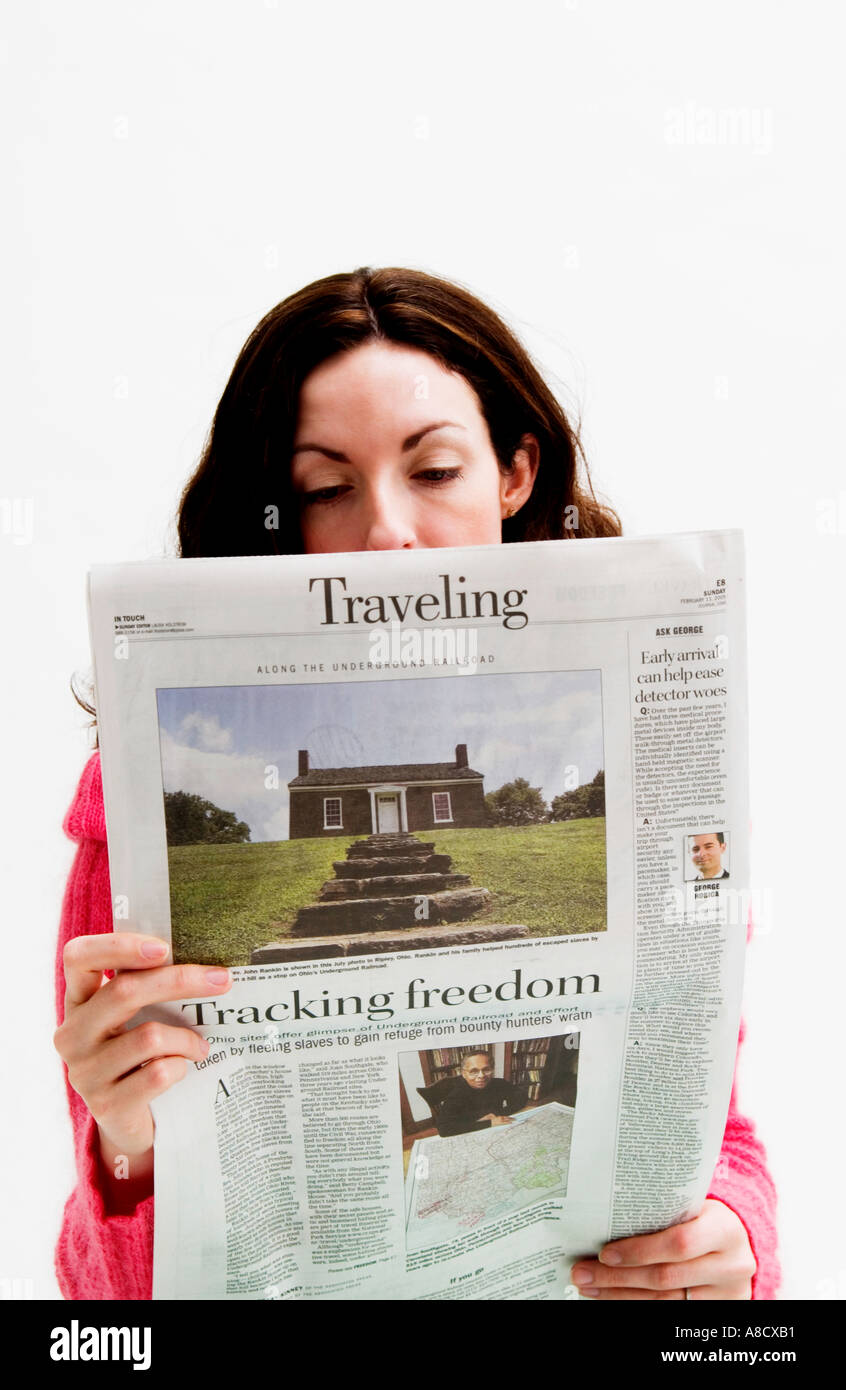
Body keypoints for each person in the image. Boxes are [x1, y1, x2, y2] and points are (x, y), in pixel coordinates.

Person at [54, 265, 779, 1301]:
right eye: (325, 486)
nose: (386, 531)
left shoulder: (644, 742)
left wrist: (733, 1242)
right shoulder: (124, 804)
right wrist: (126, 1148)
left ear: (515, 471)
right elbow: (108, 1312)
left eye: (433, 471)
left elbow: (718, 1132)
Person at [434, 1053, 528, 1138]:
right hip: (471, 1134)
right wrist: (488, 1123)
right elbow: (444, 1129)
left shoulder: (499, 1083)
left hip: (497, 1131)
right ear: (463, 1073)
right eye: (474, 1071)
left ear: (492, 1069)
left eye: (486, 1070)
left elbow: (521, 1098)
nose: (481, 1076)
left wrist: (499, 1113)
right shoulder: (456, 1094)